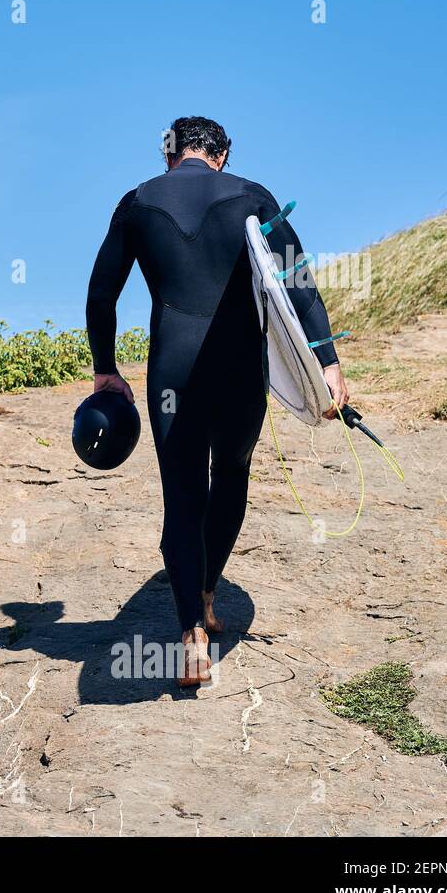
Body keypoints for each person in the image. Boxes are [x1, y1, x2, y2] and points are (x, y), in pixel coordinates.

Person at [86, 116, 349, 686]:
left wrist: (107, 371)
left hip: (172, 374)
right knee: (230, 473)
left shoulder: (137, 203)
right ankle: (207, 595)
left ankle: (189, 640)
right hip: (237, 369)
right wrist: (326, 363)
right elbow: (299, 283)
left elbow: (101, 294)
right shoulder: (253, 197)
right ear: (223, 154)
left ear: (170, 153)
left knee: (182, 496)